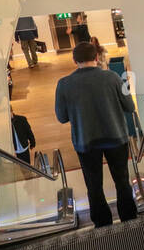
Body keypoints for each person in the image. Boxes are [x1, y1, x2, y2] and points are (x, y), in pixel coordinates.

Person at [54, 42, 138, 228]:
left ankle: (102, 223)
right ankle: (129, 218)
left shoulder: (64, 84)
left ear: (74, 60)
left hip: (85, 142)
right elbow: (130, 107)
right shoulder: (114, 77)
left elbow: (61, 117)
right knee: (122, 180)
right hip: (116, 137)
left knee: (93, 186)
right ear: (97, 58)